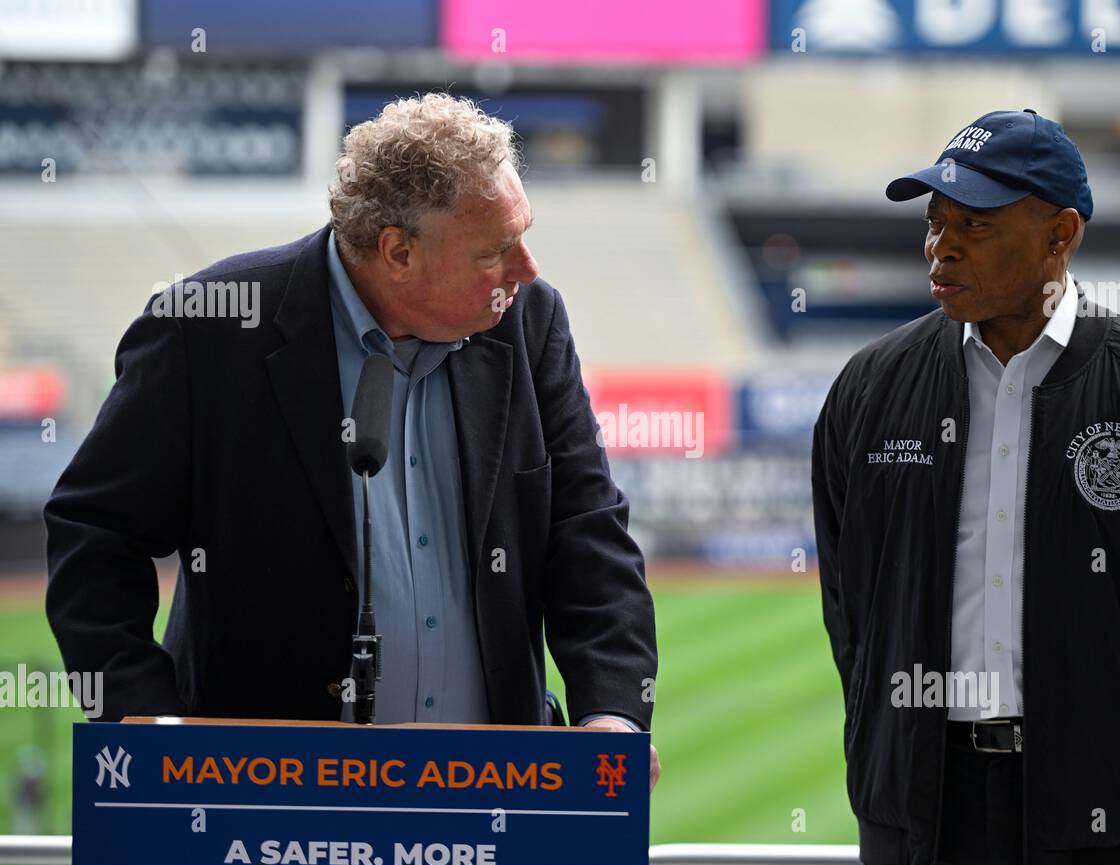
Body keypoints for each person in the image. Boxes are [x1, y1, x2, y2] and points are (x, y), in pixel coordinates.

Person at [45, 92, 660, 790]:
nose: (527, 269)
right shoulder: (207, 331)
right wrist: (141, 719)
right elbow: (92, 532)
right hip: (262, 805)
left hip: (492, 803)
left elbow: (587, 527)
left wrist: (613, 712)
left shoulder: (530, 322)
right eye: (495, 251)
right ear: (398, 251)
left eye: (523, 235)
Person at [812, 109, 1120, 864]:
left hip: (1102, 820)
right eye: (935, 221)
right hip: (916, 816)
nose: (940, 246)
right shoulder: (870, 388)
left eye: (975, 224)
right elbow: (850, 608)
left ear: (1060, 236)